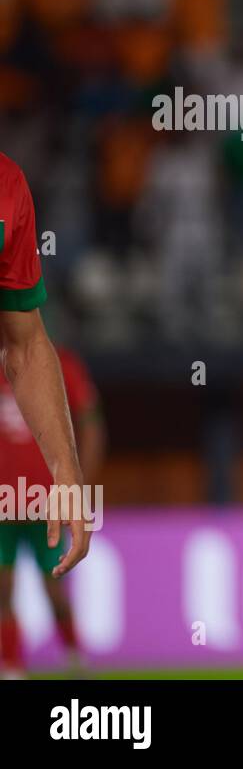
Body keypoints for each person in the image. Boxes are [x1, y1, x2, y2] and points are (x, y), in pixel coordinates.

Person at [0, 153, 94, 676]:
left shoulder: (8, 184)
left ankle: (70, 662)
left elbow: (27, 345)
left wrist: (68, 471)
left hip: (27, 500)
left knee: (44, 589)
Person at [0, 334, 105, 678]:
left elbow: (92, 425)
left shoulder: (59, 365)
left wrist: (79, 486)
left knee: (53, 587)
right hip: (3, 504)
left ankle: (75, 657)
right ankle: (12, 667)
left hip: (45, 502)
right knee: (3, 587)